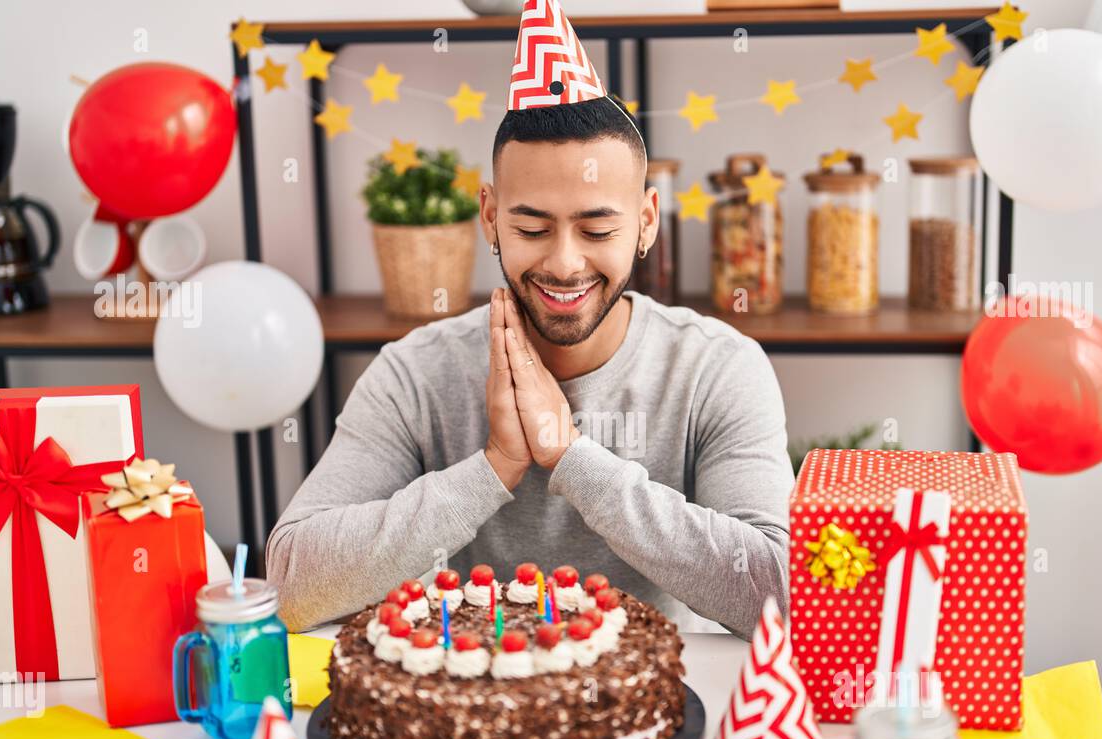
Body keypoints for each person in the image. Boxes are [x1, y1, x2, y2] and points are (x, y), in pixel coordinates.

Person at [267, 2, 793, 638]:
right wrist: (493, 467)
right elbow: (289, 582)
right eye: (531, 227)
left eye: (597, 228)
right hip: (464, 708)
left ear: (647, 221)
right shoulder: (415, 373)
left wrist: (571, 457)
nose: (565, 263)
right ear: (489, 217)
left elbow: (779, 594)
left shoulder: (716, 368)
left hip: (661, 714)